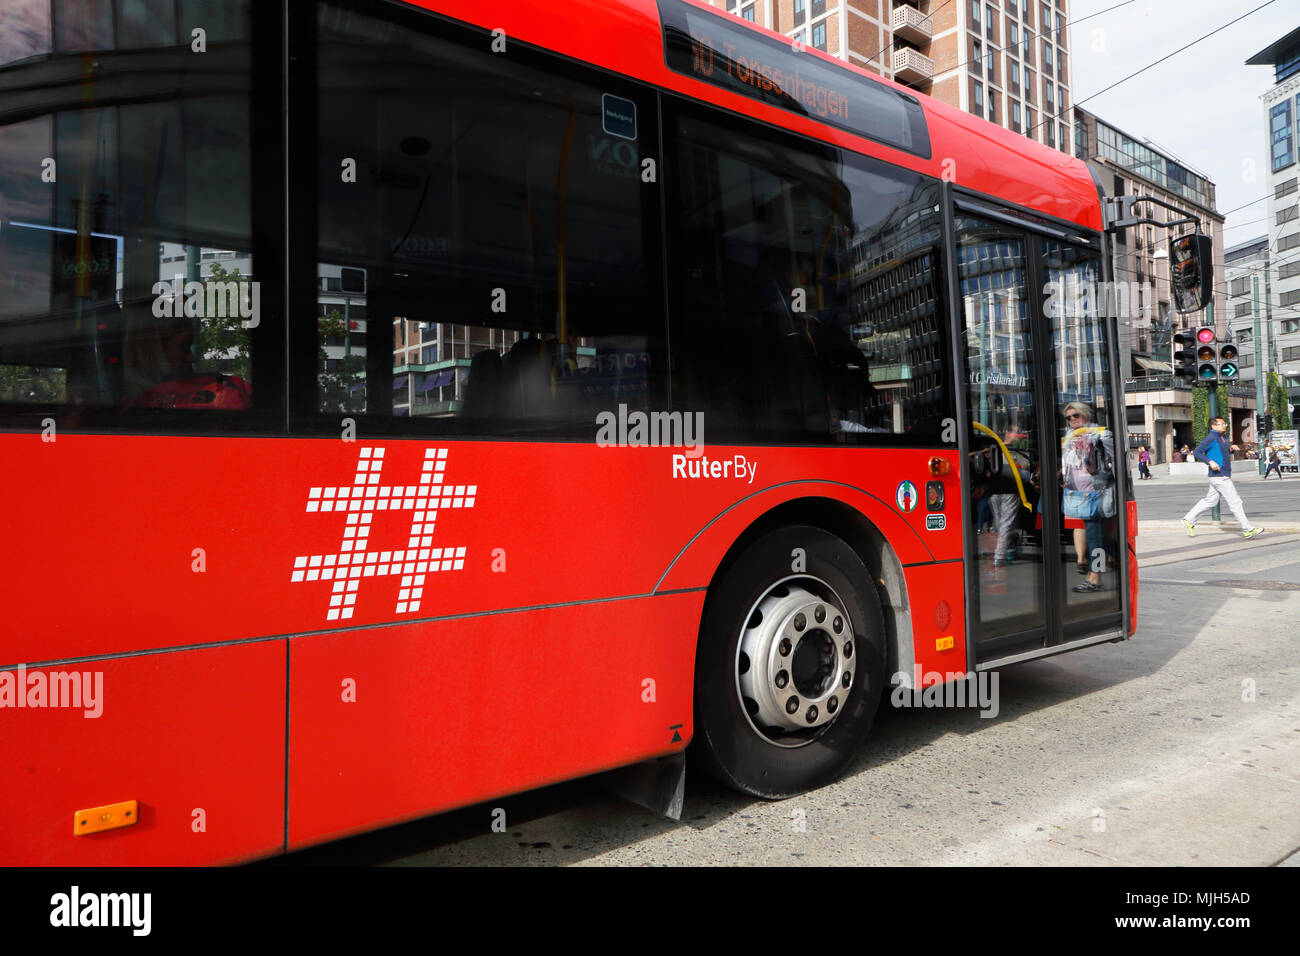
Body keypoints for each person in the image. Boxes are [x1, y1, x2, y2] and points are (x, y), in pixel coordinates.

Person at [1060, 401, 1115, 593]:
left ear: (1086, 415)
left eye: (1076, 415)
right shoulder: (1069, 437)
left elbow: (1114, 462)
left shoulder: (1101, 434)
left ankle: (1096, 577)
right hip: (1078, 494)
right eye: (1069, 418)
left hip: (1097, 493)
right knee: (1097, 537)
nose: (1072, 420)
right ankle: (1100, 568)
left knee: (1095, 537)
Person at [1183, 417, 1262, 538]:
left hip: (1220, 475)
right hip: (1220, 476)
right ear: (1213, 426)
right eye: (1221, 424)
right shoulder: (1211, 438)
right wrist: (1210, 462)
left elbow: (1222, 452)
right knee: (1235, 502)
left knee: (1210, 501)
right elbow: (1197, 452)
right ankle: (1248, 529)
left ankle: (1189, 519)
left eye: (1224, 423)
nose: (1224, 425)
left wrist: (1231, 449)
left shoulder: (1223, 437)